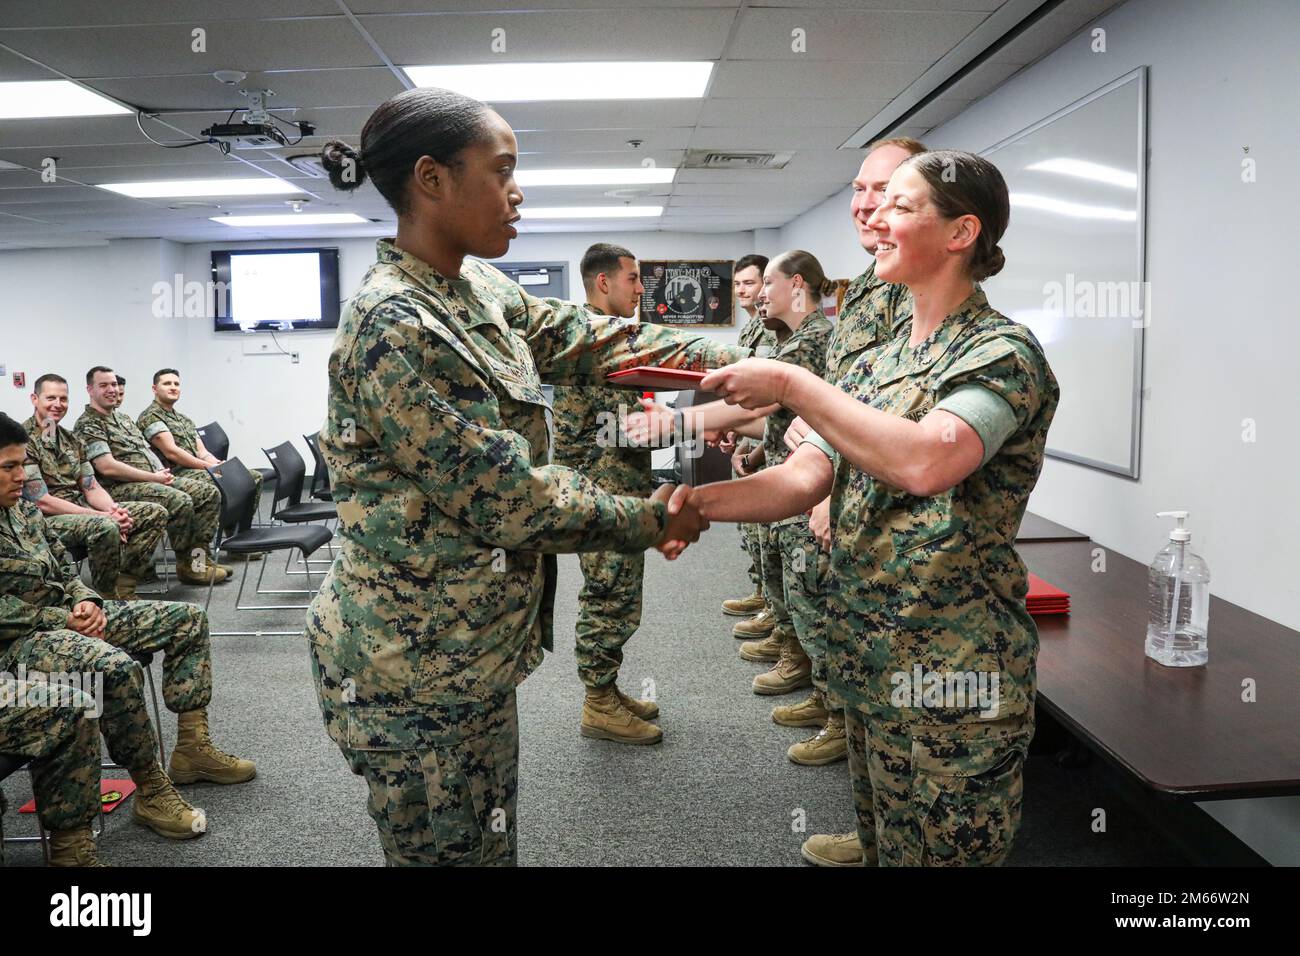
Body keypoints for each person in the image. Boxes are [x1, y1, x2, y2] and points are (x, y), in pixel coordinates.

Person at [307, 86, 746, 866]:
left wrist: (737, 364)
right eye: (502, 170)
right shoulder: (395, 325)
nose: (518, 192)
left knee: (487, 841)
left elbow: (580, 336)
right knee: (454, 854)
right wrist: (657, 517)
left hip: (468, 648)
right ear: (433, 179)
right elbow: (510, 500)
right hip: (413, 665)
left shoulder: (474, 286)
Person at [682, 150, 1059, 867]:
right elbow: (800, 481)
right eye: (876, 204)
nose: (874, 219)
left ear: (960, 233)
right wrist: (689, 506)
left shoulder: (1000, 353)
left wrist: (793, 383)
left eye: (899, 205)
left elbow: (926, 459)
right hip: (873, 658)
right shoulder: (872, 364)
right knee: (888, 848)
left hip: (954, 674)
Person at [0, 412, 258, 851]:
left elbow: (64, 565)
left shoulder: (22, 510)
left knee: (187, 620)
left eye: (23, 464)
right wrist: (63, 619)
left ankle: (192, 750)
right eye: (9, 467)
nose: (22, 476)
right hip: (19, 642)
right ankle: (150, 789)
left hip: (70, 616)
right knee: (115, 667)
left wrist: (87, 599)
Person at [549, 244, 666, 745]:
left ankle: (607, 689)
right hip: (601, 497)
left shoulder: (608, 338)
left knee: (619, 594)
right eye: (634, 279)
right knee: (608, 596)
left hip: (618, 491)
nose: (641, 289)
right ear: (604, 283)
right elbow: (624, 431)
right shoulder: (593, 345)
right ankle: (598, 702)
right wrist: (684, 427)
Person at [73, 367, 228, 586]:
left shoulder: (123, 419)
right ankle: (182, 565)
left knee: (207, 493)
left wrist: (158, 473)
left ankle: (198, 561)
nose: (112, 390)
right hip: (117, 487)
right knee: (179, 500)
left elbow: (145, 452)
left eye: (114, 385)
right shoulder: (89, 424)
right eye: (104, 385)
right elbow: (107, 467)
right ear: (90, 389)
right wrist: (152, 477)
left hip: (150, 479)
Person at [22, 373, 168, 600]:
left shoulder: (71, 440)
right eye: (51, 398)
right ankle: (105, 598)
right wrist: (101, 516)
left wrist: (113, 511)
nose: (58, 405)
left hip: (82, 511)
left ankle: (125, 585)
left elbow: (91, 487)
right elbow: (42, 500)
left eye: (64, 399)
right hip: (45, 520)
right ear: (34, 399)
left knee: (154, 512)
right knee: (105, 526)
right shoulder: (23, 442)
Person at [138, 368, 265, 556]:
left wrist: (220, 466)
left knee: (251, 478)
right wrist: (211, 468)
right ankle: (198, 556)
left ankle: (237, 538)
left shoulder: (183, 419)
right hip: (176, 474)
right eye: (167, 384)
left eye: (176, 384)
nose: (173, 387)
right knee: (213, 490)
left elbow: (202, 451)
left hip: (199, 469)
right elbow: (172, 453)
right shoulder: (150, 417)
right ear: (154, 388)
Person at [719, 253, 773, 625]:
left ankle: (775, 610)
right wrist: (739, 438)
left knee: (771, 535)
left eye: (749, 283)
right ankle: (762, 594)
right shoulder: (750, 330)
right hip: (752, 439)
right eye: (737, 284)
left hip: (773, 445)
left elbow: (774, 402)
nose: (742, 290)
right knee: (754, 531)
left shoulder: (773, 330)